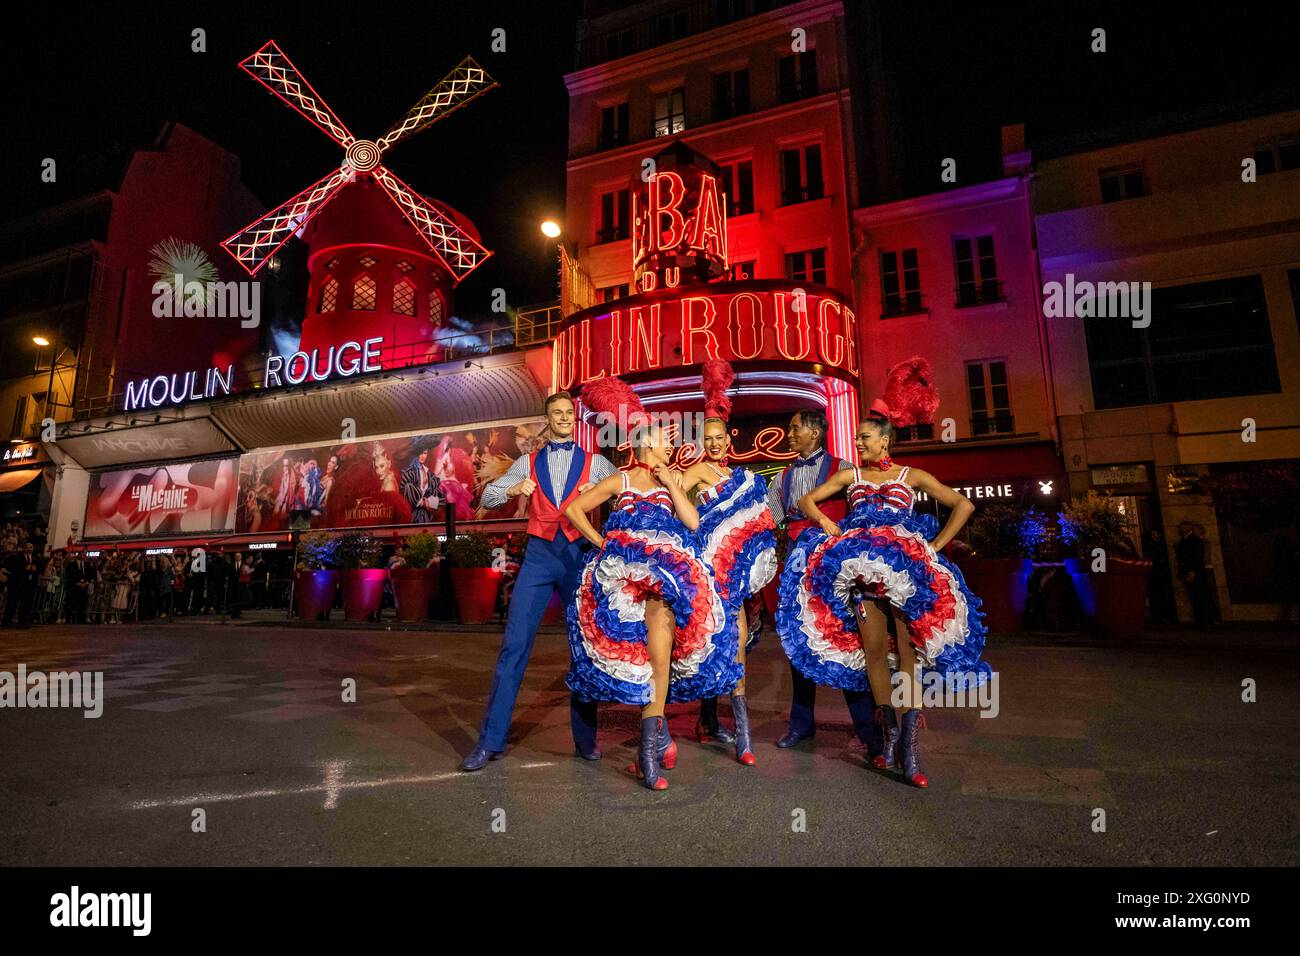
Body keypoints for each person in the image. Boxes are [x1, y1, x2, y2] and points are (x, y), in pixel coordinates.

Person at [791, 400, 991, 787]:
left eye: (864, 437)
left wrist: (935, 545)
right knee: (874, 653)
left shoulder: (911, 475)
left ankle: (911, 750)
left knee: (908, 654)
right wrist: (826, 522)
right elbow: (805, 500)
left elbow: (962, 505)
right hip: (862, 575)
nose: (858, 443)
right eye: (856, 438)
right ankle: (889, 738)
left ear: (884, 441)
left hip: (906, 576)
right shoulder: (852, 477)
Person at [563, 377, 734, 791]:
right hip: (620, 583)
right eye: (662, 440)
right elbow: (574, 510)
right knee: (634, 662)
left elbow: (692, 522)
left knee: (660, 658)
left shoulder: (668, 480)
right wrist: (602, 541)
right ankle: (657, 740)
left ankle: (648, 750)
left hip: (662, 578)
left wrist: (671, 481)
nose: (669, 446)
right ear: (644, 444)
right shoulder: (619, 480)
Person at [459, 391, 618, 772]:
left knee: (584, 649)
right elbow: (490, 497)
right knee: (513, 646)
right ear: (548, 419)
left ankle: (585, 740)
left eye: (568, 413)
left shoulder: (596, 463)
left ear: (575, 419)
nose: (563, 418)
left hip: (578, 556)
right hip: (538, 556)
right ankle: (490, 741)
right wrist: (511, 489)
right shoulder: (527, 462)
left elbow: (626, 492)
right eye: (557, 413)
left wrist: (597, 498)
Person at [676, 359, 776, 765]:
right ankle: (710, 721)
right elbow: (672, 502)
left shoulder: (743, 478)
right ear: (702, 441)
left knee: (734, 643)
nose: (714, 444)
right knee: (709, 641)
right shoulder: (697, 470)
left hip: (737, 576)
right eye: (708, 438)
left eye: (719, 437)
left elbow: (760, 517)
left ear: (728, 439)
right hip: (707, 571)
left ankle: (738, 733)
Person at [766, 409, 882, 754]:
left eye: (794, 427)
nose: (788, 434)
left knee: (846, 639)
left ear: (814, 433)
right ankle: (801, 723)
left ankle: (867, 726)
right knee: (800, 641)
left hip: (837, 565)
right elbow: (771, 522)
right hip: (798, 565)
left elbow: (865, 514)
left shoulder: (845, 469)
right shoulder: (781, 478)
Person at [1175, 521, 1213, 628]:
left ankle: (1205, 620)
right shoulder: (1183, 540)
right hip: (1187, 573)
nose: (1179, 530)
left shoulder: (1195, 540)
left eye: (1180, 527)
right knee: (1193, 597)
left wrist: (1193, 572)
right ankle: (1200, 620)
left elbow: (1197, 558)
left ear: (1187, 528)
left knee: (1200, 596)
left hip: (1195, 573)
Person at [2, 542, 39, 627]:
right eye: (27, 547)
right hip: (16, 584)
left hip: (29, 585)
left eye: (31, 547)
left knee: (25, 604)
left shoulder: (35, 558)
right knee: (12, 603)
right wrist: (24, 568)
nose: (29, 549)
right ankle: (7, 621)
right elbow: (12, 568)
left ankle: (23, 621)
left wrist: (35, 568)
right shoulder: (16, 557)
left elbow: (40, 567)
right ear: (24, 548)